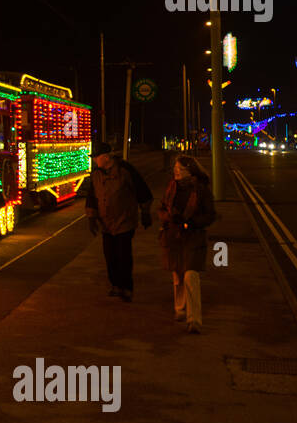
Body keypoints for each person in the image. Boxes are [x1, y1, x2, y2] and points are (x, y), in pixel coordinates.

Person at [84, 141, 153, 301]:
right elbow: (92, 198)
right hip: (106, 224)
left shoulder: (126, 170)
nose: (94, 160)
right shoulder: (96, 175)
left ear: (106, 157)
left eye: (96, 157)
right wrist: (91, 218)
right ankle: (115, 285)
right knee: (110, 256)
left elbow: (142, 191)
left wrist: (145, 212)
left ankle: (126, 288)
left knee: (123, 256)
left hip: (124, 221)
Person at [157, 154, 217, 333]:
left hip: (193, 236)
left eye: (180, 169)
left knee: (191, 275)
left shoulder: (201, 190)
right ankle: (180, 309)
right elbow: (161, 208)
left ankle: (194, 320)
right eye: (175, 168)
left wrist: (192, 222)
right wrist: (168, 216)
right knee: (177, 275)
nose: (176, 172)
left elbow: (210, 214)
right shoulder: (171, 187)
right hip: (173, 236)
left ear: (190, 171)